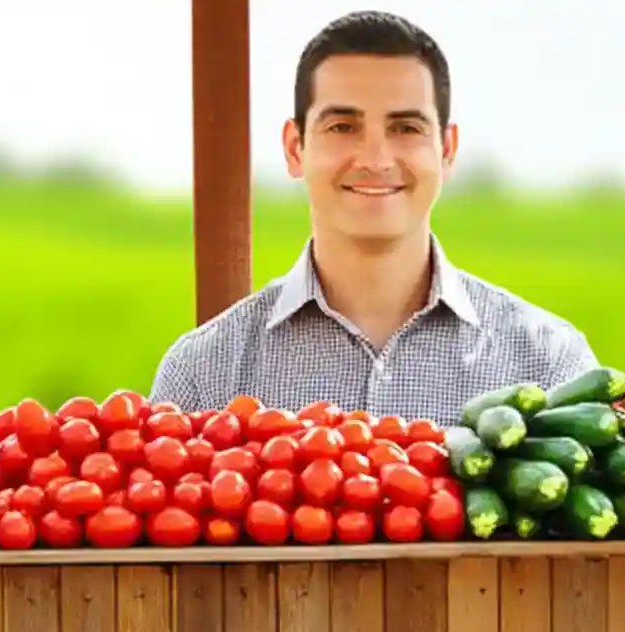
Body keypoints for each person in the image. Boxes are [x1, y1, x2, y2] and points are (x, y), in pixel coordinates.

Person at [149, 10, 599, 425]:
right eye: (343, 127)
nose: (376, 158)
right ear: (294, 148)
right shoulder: (203, 375)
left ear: (446, 151)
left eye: (406, 128)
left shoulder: (549, 366)